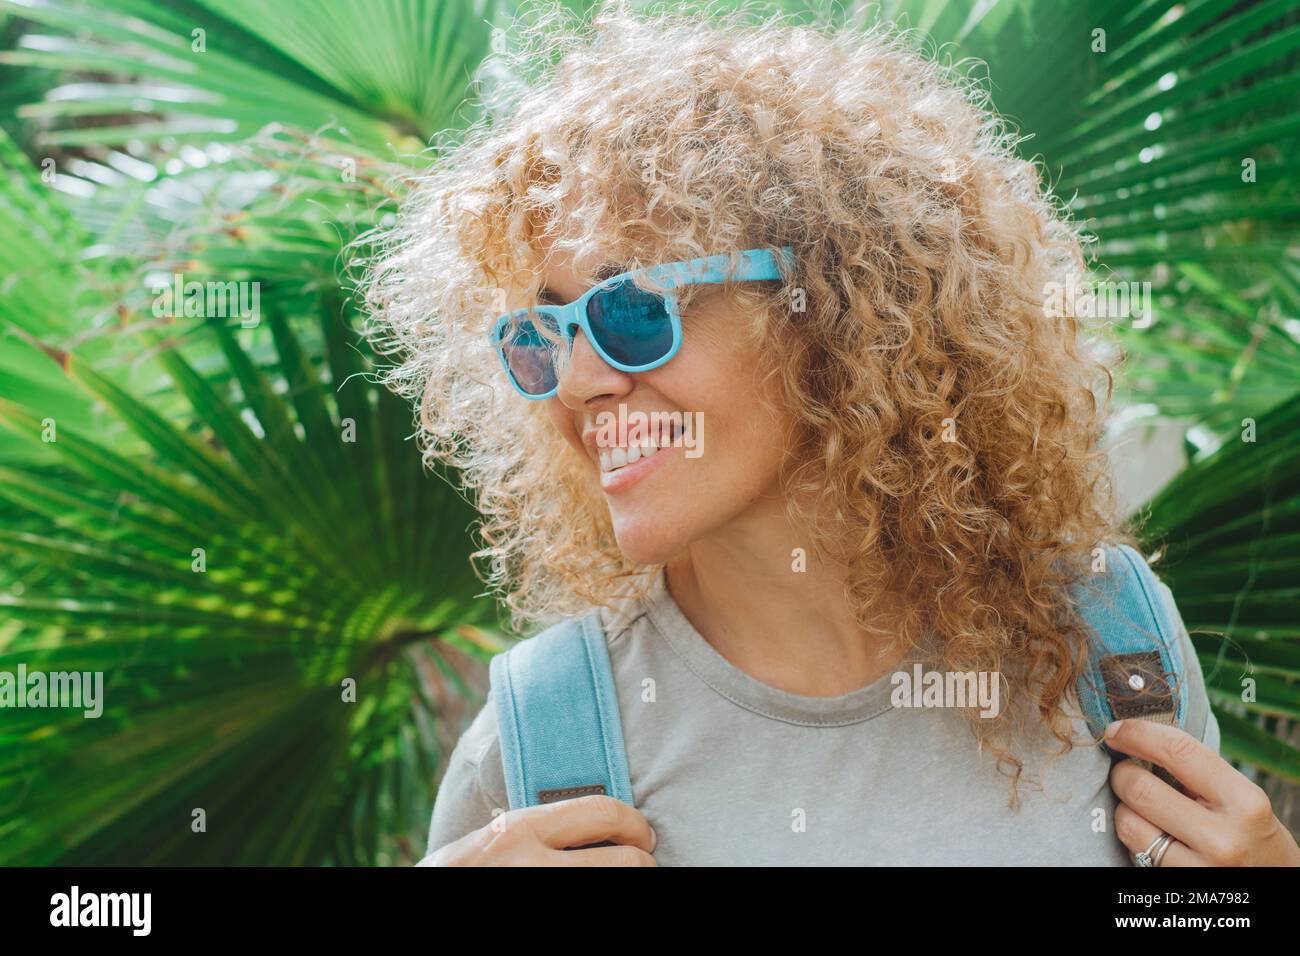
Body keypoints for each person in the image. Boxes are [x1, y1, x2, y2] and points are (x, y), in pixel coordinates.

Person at [360, 3, 1300, 866]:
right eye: (544, 335)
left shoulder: (1109, 642)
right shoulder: (542, 741)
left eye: (632, 311)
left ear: (833, 312)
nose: (579, 382)